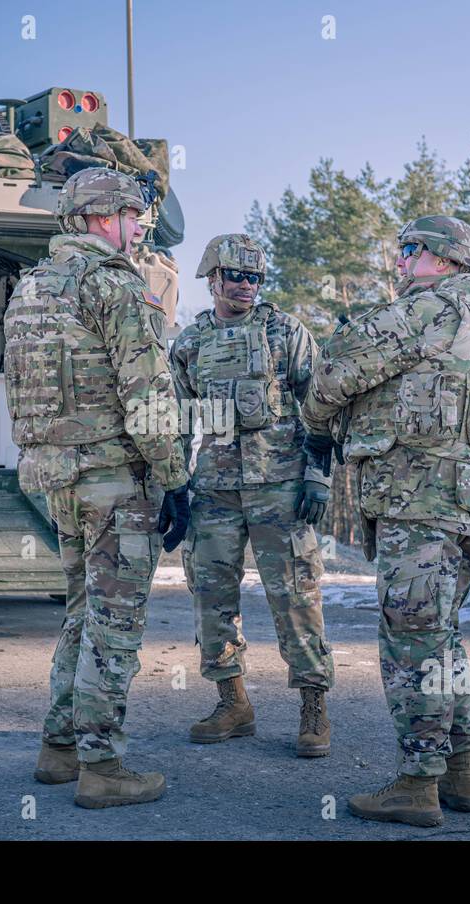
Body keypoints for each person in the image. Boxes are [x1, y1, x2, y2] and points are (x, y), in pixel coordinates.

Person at [301, 216, 470, 826]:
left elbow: (333, 373)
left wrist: (318, 428)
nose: (399, 262)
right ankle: (459, 771)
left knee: (411, 639)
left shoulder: (425, 310)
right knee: (442, 634)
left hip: (415, 497)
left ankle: (418, 783)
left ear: (442, 259)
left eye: (409, 250)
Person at [4, 167, 190, 809]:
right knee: (114, 622)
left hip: (56, 478)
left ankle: (58, 747)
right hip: (113, 481)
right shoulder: (114, 284)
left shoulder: (29, 287)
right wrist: (175, 477)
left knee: (82, 610)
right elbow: (148, 395)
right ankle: (102, 766)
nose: (141, 226)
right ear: (101, 217)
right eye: (133, 215)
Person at [169, 233, 335, 758]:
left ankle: (313, 708)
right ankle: (232, 703)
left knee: (296, 598)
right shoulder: (190, 344)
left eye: (254, 278)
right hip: (214, 492)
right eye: (235, 276)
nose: (245, 286)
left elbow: (322, 408)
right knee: (211, 598)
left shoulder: (286, 332)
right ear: (212, 279)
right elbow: (172, 420)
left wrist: (318, 476)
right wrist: (173, 484)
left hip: (280, 490)